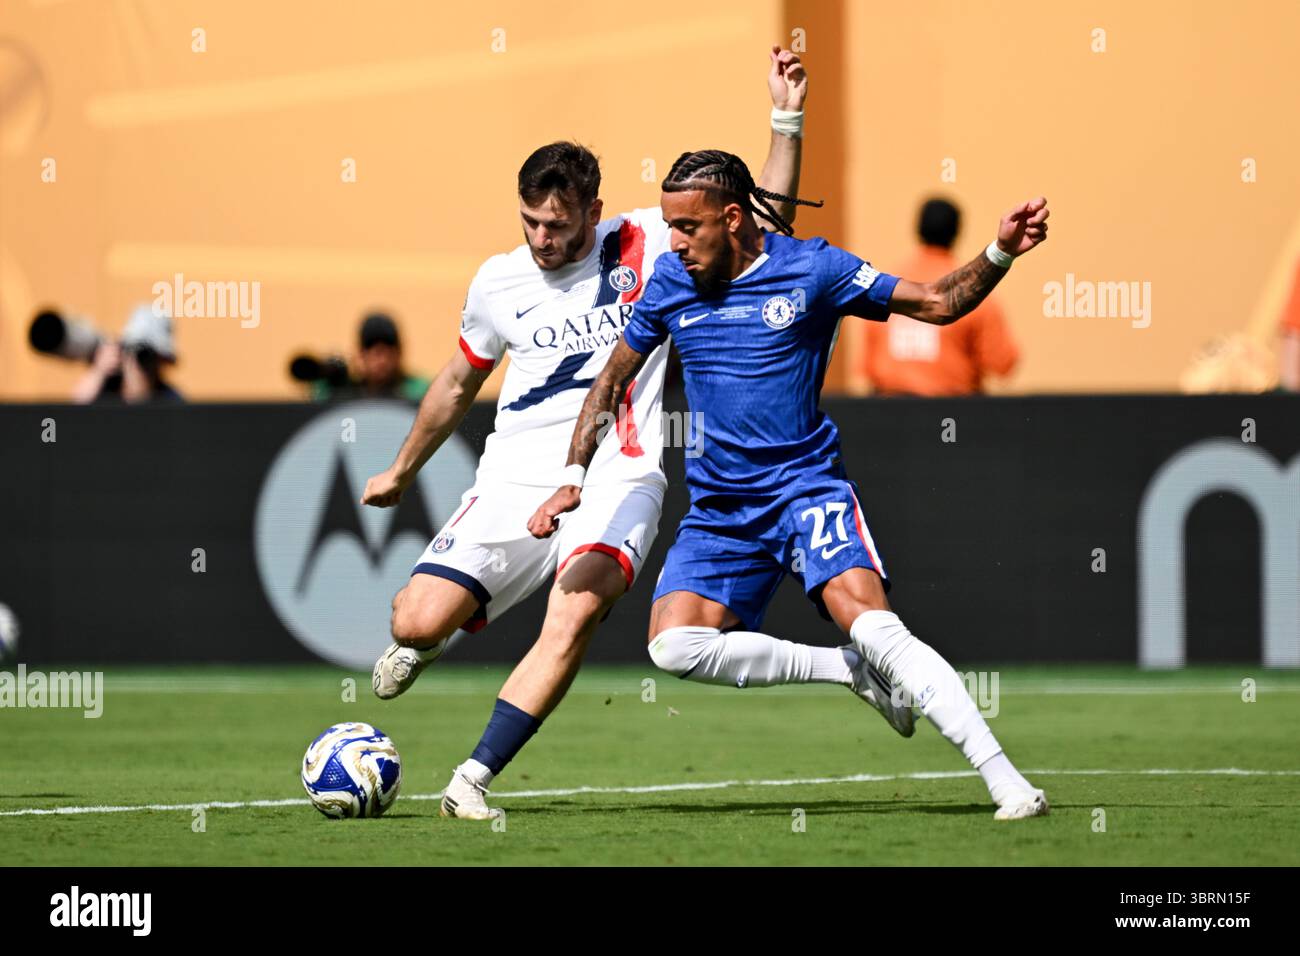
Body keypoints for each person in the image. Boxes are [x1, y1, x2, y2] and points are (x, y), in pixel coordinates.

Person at [530, 149, 1052, 820]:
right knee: (672, 645)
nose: (677, 242)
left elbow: (939, 301)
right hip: (720, 510)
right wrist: (572, 475)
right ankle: (847, 672)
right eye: (670, 227)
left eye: (689, 227)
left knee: (878, 630)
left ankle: (1008, 782)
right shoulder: (668, 281)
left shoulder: (815, 268)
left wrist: (1001, 252)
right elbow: (611, 379)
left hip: (805, 492)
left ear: (734, 217)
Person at [360, 48, 813, 820]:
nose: (542, 239)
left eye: (559, 225)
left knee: (573, 611)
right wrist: (402, 469)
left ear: (595, 213)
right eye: (531, 221)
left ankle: (472, 778)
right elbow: (458, 380)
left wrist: (786, 116)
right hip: (512, 479)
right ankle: (429, 641)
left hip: (617, 472)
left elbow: (761, 215)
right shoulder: (497, 282)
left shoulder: (648, 241)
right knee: (414, 617)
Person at [860, 198, 1019, 395]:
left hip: (890, 410)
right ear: (957, 231)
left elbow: (869, 367)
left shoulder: (886, 285)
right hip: (952, 413)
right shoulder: (972, 289)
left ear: (917, 228)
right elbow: (1003, 363)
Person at [72, 305, 183, 404]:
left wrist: (136, 379)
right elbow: (76, 410)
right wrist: (99, 371)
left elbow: (139, 405)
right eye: (130, 349)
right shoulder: (106, 390)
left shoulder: (171, 399)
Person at [310, 312, 431, 401]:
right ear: (361, 354)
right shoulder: (346, 390)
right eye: (376, 353)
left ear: (399, 353)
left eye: (388, 353)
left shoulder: (416, 390)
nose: (382, 361)